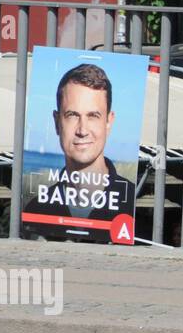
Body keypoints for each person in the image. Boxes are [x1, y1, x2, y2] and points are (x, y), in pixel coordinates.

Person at [22, 63, 135, 242]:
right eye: (72, 115)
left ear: (109, 122)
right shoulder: (36, 208)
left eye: (93, 116)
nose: (82, 130)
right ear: (57, 122)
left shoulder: (132, 202)